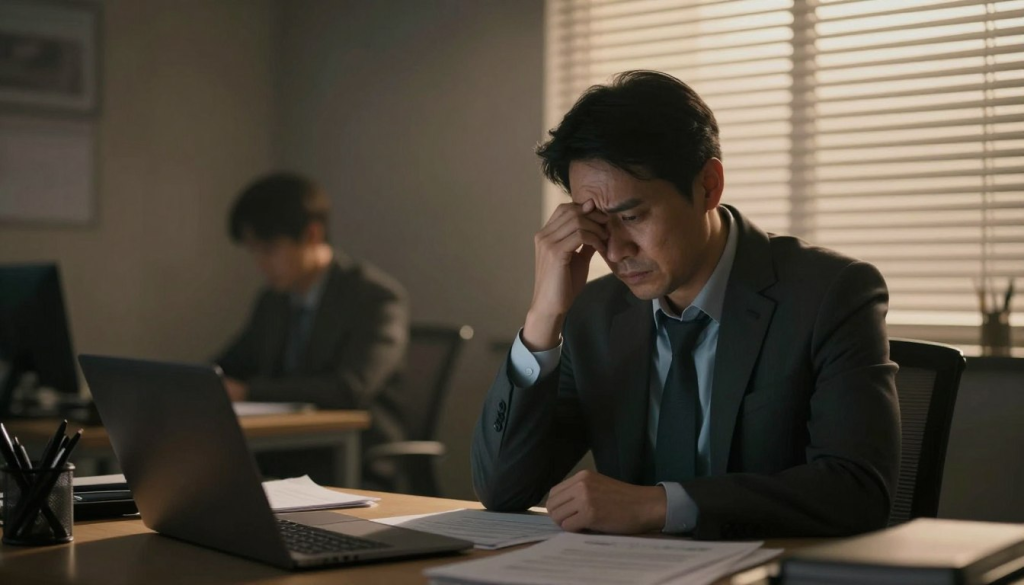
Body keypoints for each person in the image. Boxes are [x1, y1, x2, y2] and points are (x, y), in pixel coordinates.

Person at [471, 71, 901, 539]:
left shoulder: (830, 294)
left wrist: (660, 505)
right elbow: (503, 490)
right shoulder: (593, 315)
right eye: (593, 224)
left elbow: (856, 492)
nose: (613, 252)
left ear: (709, 187)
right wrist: (542, 319)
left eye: (631, 217)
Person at [216, 172, 409, 488]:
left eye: (270, 249)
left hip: (353, 459)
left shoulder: (375, 297)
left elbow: (349, 389)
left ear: (312, 235)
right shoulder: (274, 301)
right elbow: (231, 362)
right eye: (254, 251)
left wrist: (249, 392)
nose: (261, 263)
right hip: (284, 455)